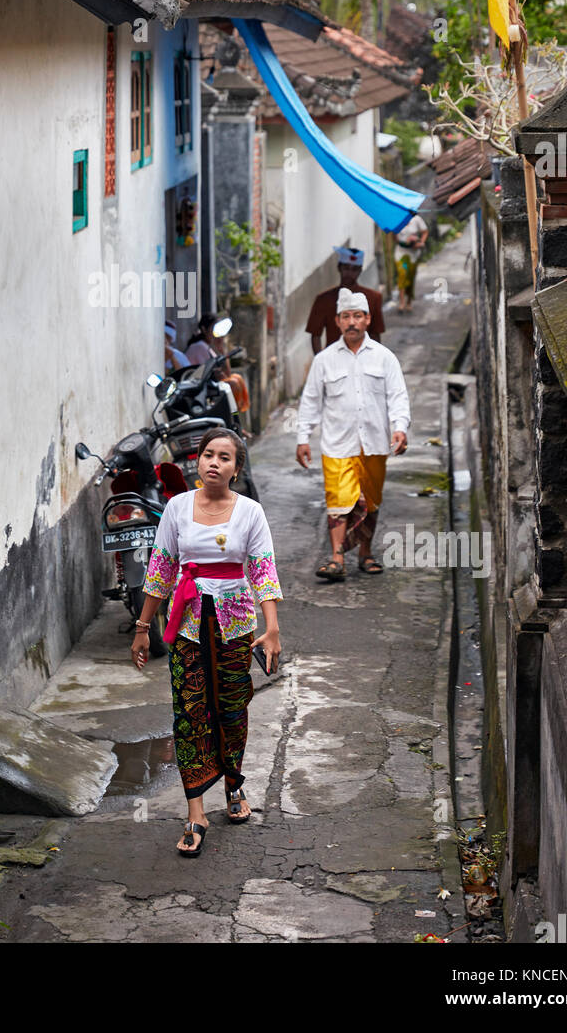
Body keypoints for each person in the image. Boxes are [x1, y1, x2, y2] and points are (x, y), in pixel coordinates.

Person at [132, 430, 281, 856]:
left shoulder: (250, 513)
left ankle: (233, 785)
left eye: (225, 457)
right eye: (207, 455)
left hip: (234, 626)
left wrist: (271, 629)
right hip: (188, 627)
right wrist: (143, 627)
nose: (214, 462)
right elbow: (161, 571)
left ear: (237, 467)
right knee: (190, 713)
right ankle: (195, 812)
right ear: (197, 461)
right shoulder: (177, 509)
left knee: (232, 710)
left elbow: (263, 572)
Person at [295, 288, 410, 581]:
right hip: (337, 443)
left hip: (373, 443)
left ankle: (365, 553)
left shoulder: (385, 358)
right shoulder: (324, 360)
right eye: (346, 317)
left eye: (357, 316)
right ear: (337, 321)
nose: (352, 322)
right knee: (338, 501)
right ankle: (336, 559)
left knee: (370, 502)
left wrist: (400, 428)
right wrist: (303, 437)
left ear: (368, 320)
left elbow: (398, 396)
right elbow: (310, 400)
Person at [306, 246, 385, 353]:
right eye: (346, 268)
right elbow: (315, 335)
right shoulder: (323, 300)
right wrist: (320, 362)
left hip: (363, 360)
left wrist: (376, 361)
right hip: (334, 361)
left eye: (354, 269)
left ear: (360, 270)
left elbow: (375, 334)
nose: (349, 273)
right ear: (339, 268)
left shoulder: (373, 298)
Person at [185, 313, 250, 414]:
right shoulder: (199, 347)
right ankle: (233, 417)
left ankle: (236, 420)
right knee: (233, 384)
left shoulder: (209, 347)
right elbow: (206, 372)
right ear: (204, 329)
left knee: (237, 378)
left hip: (208, 384)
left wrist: (222, 349)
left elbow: (227, 372)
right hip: (198, 386)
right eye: (213, 329)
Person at [394, 213, 428, 312]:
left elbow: (425, 232)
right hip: (401, 253)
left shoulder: (417, 220)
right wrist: (405, 242)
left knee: (410, 277)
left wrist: (420, 242)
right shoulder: (397, 219)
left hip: (413, 254)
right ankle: (402, 302)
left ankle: (409, 301)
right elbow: (394, 238)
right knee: (402, 274)